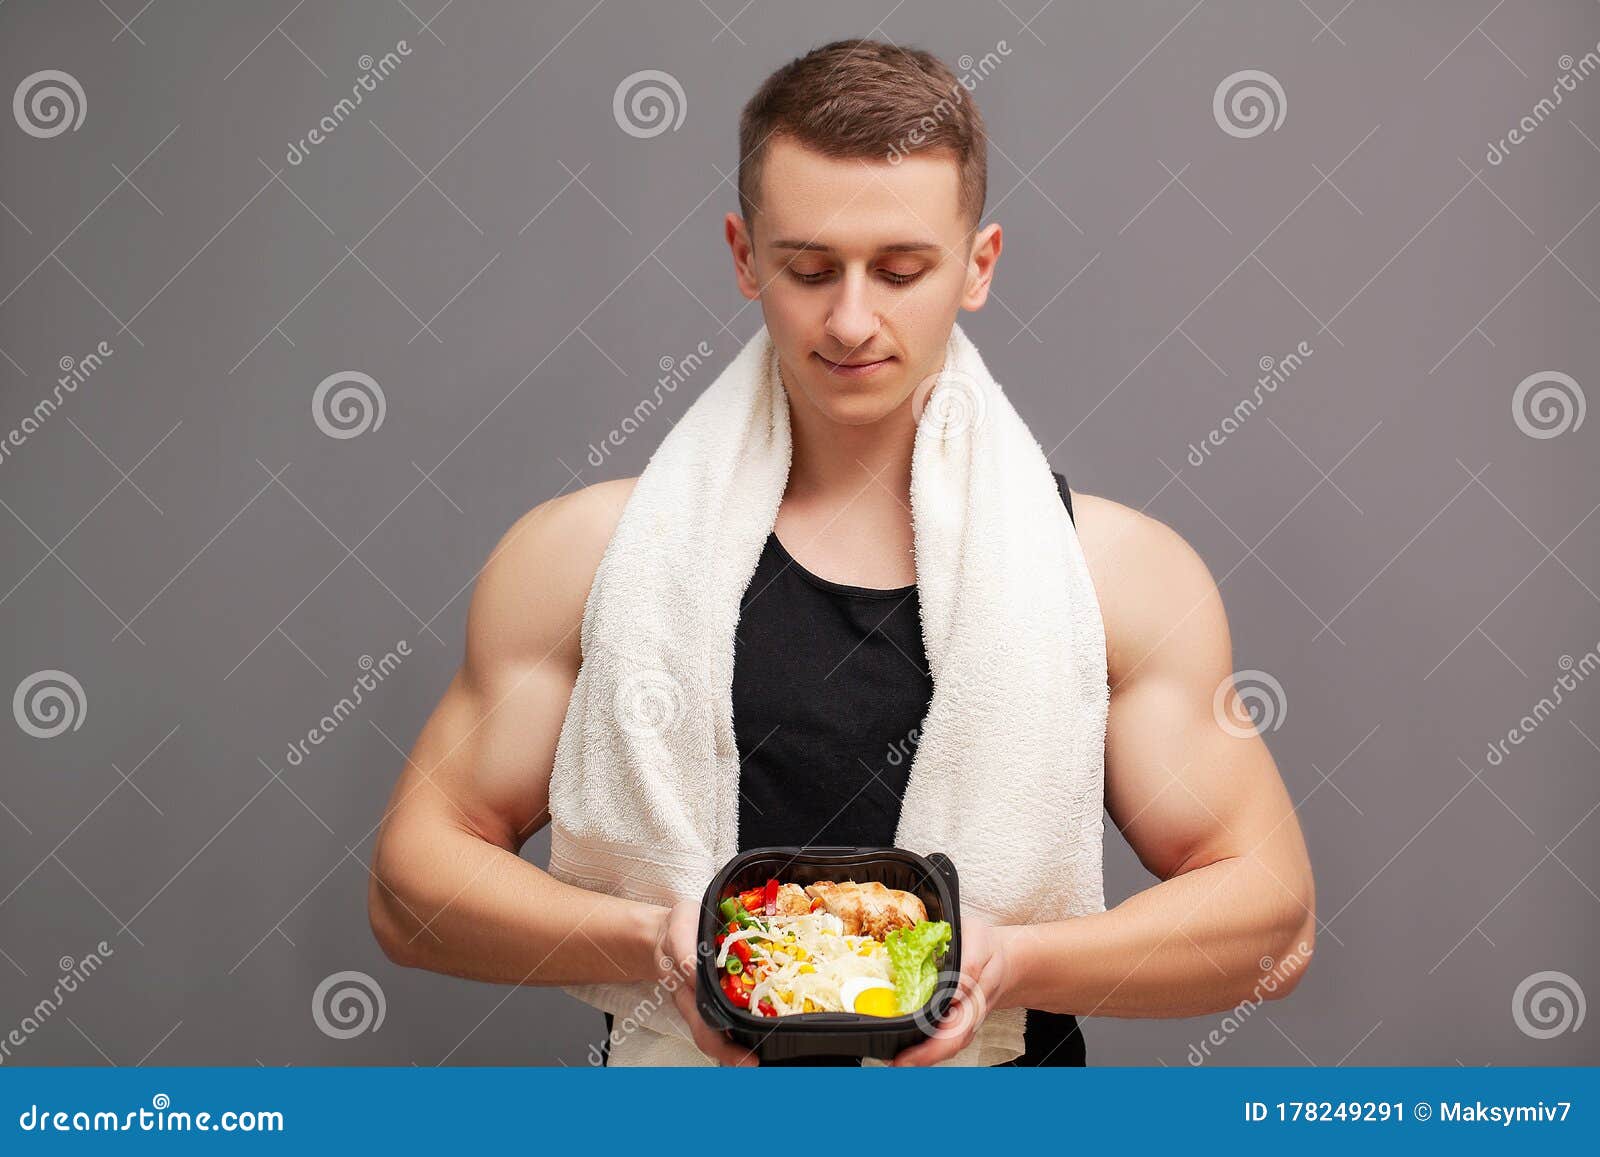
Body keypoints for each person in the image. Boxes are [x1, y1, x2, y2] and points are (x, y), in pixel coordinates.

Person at [368, 39, 1315, 1067]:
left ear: (978, 265)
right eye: (809, 269)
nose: (852, 319)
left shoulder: (1118, 575)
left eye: (900, 269)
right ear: (742, 257)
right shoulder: (583, 557)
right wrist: (662, 943)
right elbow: (409, 888)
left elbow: (1272, 919)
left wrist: (1005, 962)